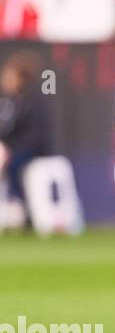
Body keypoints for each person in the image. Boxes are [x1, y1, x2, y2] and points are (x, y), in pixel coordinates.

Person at [0, 51, 53, 212]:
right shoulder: (9, 101)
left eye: (9, 76)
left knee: (12, 163)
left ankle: (22, 203)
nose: (5, 80)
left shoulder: (33, 101)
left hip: (32, 150)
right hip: (13, 148)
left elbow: (36, 136)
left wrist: (12, 149)